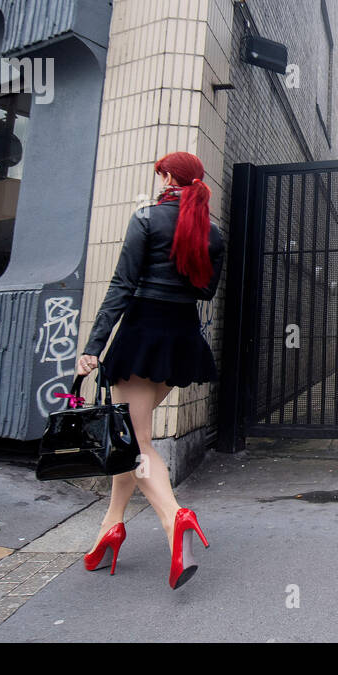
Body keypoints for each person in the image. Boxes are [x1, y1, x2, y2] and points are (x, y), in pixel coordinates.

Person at [75, 151, 226, 589]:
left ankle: (173, 519)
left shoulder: (147, 219)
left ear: (165, 175)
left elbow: (122, 286)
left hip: (143, 334)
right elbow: (205, 289)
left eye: (158, 171)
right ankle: (110, 528)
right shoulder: (212, 234)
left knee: (138, 443)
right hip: (179, 337)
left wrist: (92, 347)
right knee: (131, 436)